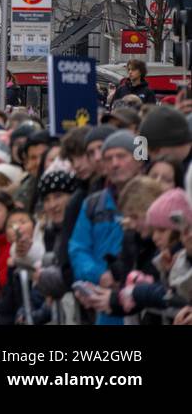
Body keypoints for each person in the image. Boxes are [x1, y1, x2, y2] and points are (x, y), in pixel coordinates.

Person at [69, 129, 144, 324]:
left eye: (121, 156)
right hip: (106, 303)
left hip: (142, 302)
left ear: (138, 159)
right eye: (109, 158)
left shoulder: (153, 198)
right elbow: (78, 248)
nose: (114, 163)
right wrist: (99, 275)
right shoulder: (93, 204)